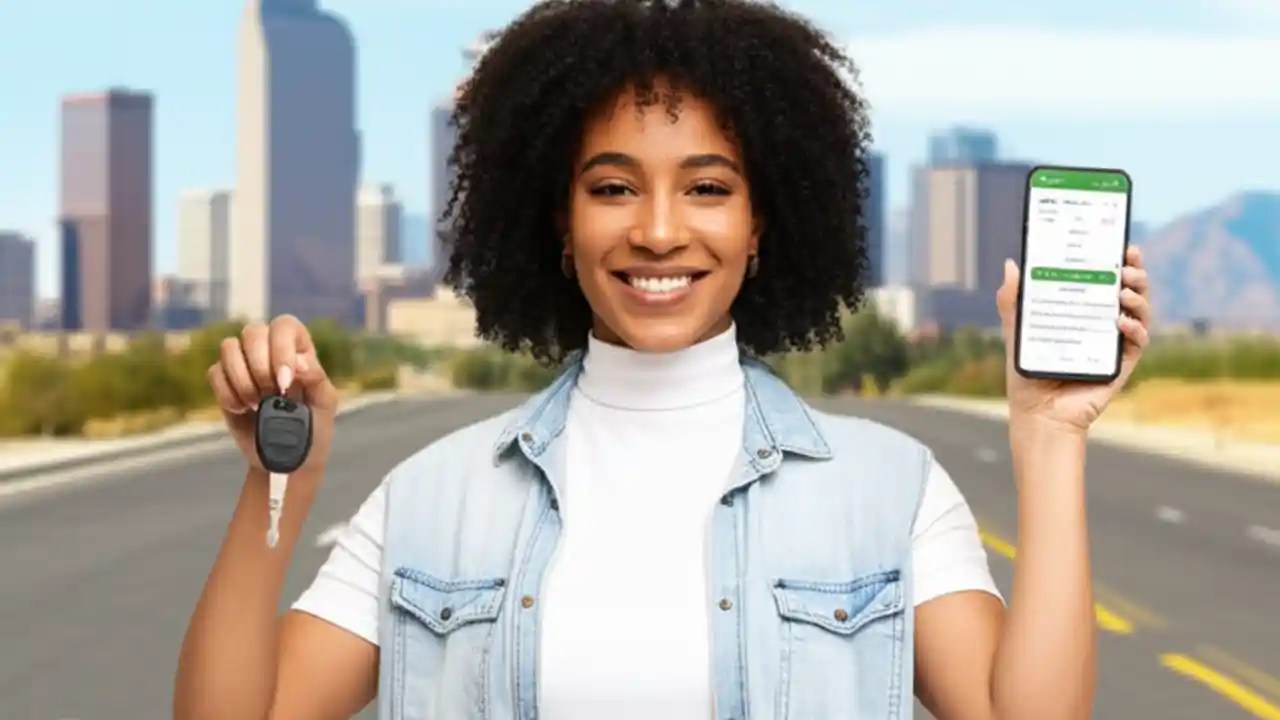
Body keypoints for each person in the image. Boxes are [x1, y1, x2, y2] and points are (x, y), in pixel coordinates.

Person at [173, 1, 1153, 718]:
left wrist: (1049, 435)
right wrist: (277, 483)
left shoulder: (890, 491)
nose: (656, 229)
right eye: (611, 187)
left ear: (760, 225)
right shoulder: (432, 498)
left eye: (706, 188)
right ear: (558, 225)